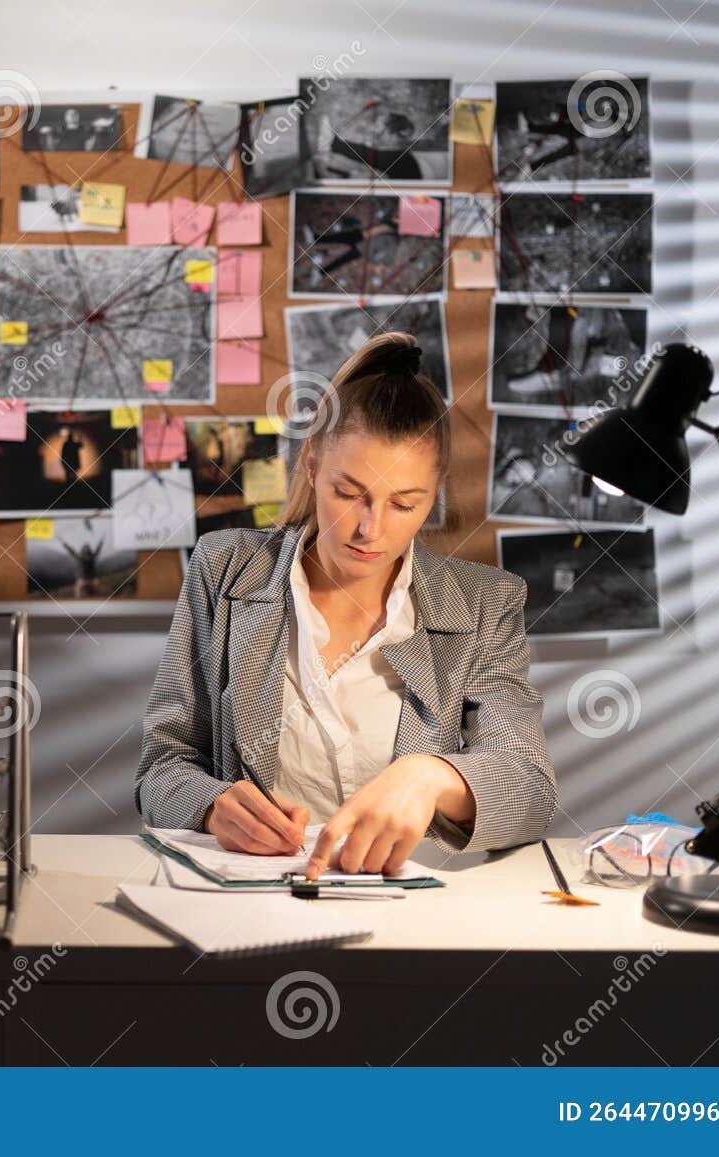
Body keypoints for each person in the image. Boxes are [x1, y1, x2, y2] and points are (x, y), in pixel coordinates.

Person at [135, 332, 556, 879]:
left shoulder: (484, 604)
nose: (369, 528)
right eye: (349, 492)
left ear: (436, 493)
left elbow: (531, 790)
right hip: (252, 906)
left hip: (414, 915)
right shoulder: (224, 570)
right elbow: (161, 769)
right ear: (311, 465)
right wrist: (211, 807)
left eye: (405, 503)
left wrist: (432, 776)